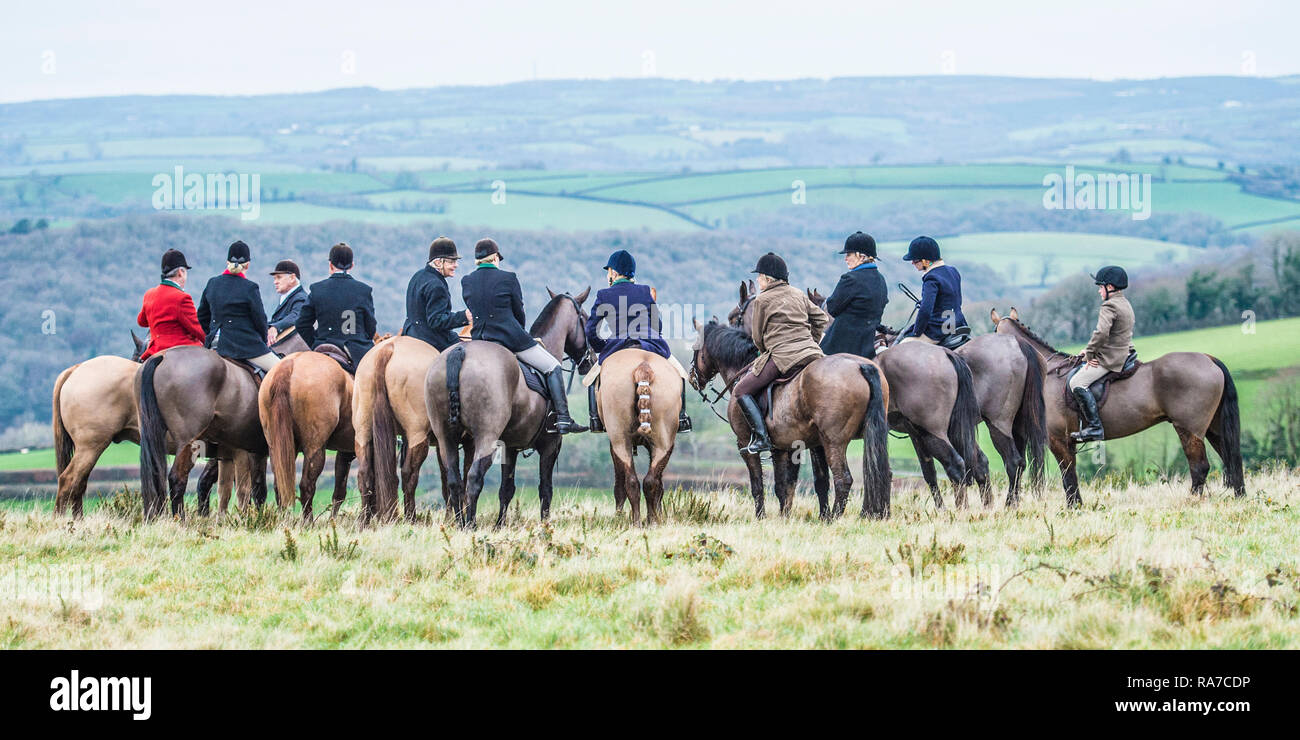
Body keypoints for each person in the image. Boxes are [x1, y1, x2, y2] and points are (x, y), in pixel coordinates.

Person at [461, 238, 586, 434]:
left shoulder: (466, 281)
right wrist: (521, 335)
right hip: (511, 340)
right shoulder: (509, 278)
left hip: (481, 341)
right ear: (495, 258)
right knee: (552, 366)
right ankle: (563, 418)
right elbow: (519, 312)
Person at [583, 249, 692, 433]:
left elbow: (591, 331)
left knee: (592, 379)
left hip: (617, 346)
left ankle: (596, 420)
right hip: (649, 343)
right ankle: (681, 418)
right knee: (679, 373)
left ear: (614, 273)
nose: (608, 275)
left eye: (609, 271)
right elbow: (657, 324)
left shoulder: (604, 295)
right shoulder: (644, 291)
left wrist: (603, 348)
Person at [732, 252, 828, 453]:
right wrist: (812, 340)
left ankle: (762, 438)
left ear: (768, 277)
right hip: (812, 353)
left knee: (740, 390)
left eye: (759, 276)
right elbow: (821, 319)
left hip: (783, 357)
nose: (758, 280)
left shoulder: (762, 300)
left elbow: (758, 337)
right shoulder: (798, 293)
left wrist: (766, 352)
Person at [1069, 265, 1136, 442]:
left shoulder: (1110, 306)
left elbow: (1101, 333)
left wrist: (1090, 354)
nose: (1099, 291)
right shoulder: (1124, 302)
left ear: (1110, 287)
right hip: (1123, 350)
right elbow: (1114, 335)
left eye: (1100, 287)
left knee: (1077, 382)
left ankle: (1094, 428)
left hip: (1112, 358)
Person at [196, 240, 279, 372]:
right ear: (248, 265)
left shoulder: (212, 283)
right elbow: (260, 320)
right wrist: (262, 341)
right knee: (281, 369)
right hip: (244, 346)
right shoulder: (250, 287)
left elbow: (202, 315)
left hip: (215, 344)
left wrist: (211, 332)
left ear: (227, 262)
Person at [295, 243, 378, 371]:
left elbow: (302, 324)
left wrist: (316, 342)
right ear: (352, 265)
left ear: (330, 265)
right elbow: (371, 326)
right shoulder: (363, 290)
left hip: (323, 345)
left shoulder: (317, 289)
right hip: (356, 350)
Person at [819, 231, 888, 359]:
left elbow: (833, 309)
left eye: (848, 254)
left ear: (861, 256)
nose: (845, 259)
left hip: (842, 345)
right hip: (868, 344)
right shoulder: (881, 279)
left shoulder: (850, 279)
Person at [402, 236, 471, 351]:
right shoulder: (436, 285)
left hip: (410, 333)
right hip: (430, 339)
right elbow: (436, 321)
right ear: (438, 262)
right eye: (451, 261)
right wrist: (464, 316)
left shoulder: (418, 276)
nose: (456, 265)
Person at [137, 249, 205, 360]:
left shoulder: (149, 294)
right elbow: (198, 329)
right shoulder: (182, 298)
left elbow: (142, 321)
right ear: (180, 272)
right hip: (181, 351)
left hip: (154, 352)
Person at [900, 236, 967, 344]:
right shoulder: (953, 271)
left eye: (915, 260)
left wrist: (916, 332)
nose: (912, 263)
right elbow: (948, 300)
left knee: (903, 345)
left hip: (940, 328)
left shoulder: (931, 278)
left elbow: (925, 311)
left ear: (925, 261)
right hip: (959, 324)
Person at [267, 259, 307, 347]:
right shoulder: (289, 297)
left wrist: (275, 327)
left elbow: (296, 315)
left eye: (279, 277)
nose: (275, 282)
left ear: (292, 278)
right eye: (274, 278)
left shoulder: (300, 298)